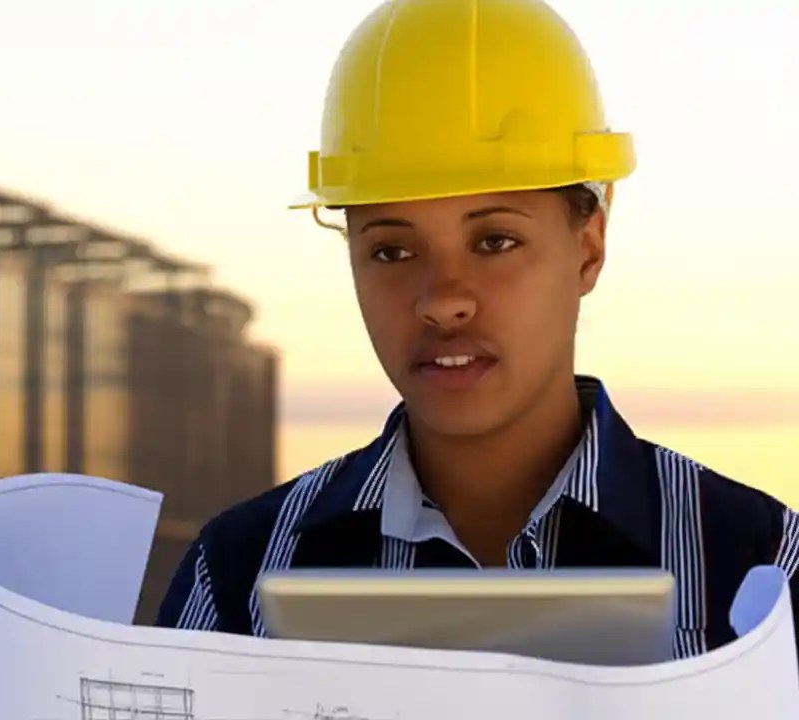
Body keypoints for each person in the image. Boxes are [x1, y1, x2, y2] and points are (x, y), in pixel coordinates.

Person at [154, 0, 799, 660]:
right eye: (392, 252)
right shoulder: (236, 576)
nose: (443, 302)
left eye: (494, 241)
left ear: (589, 248)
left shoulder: (762, 565)